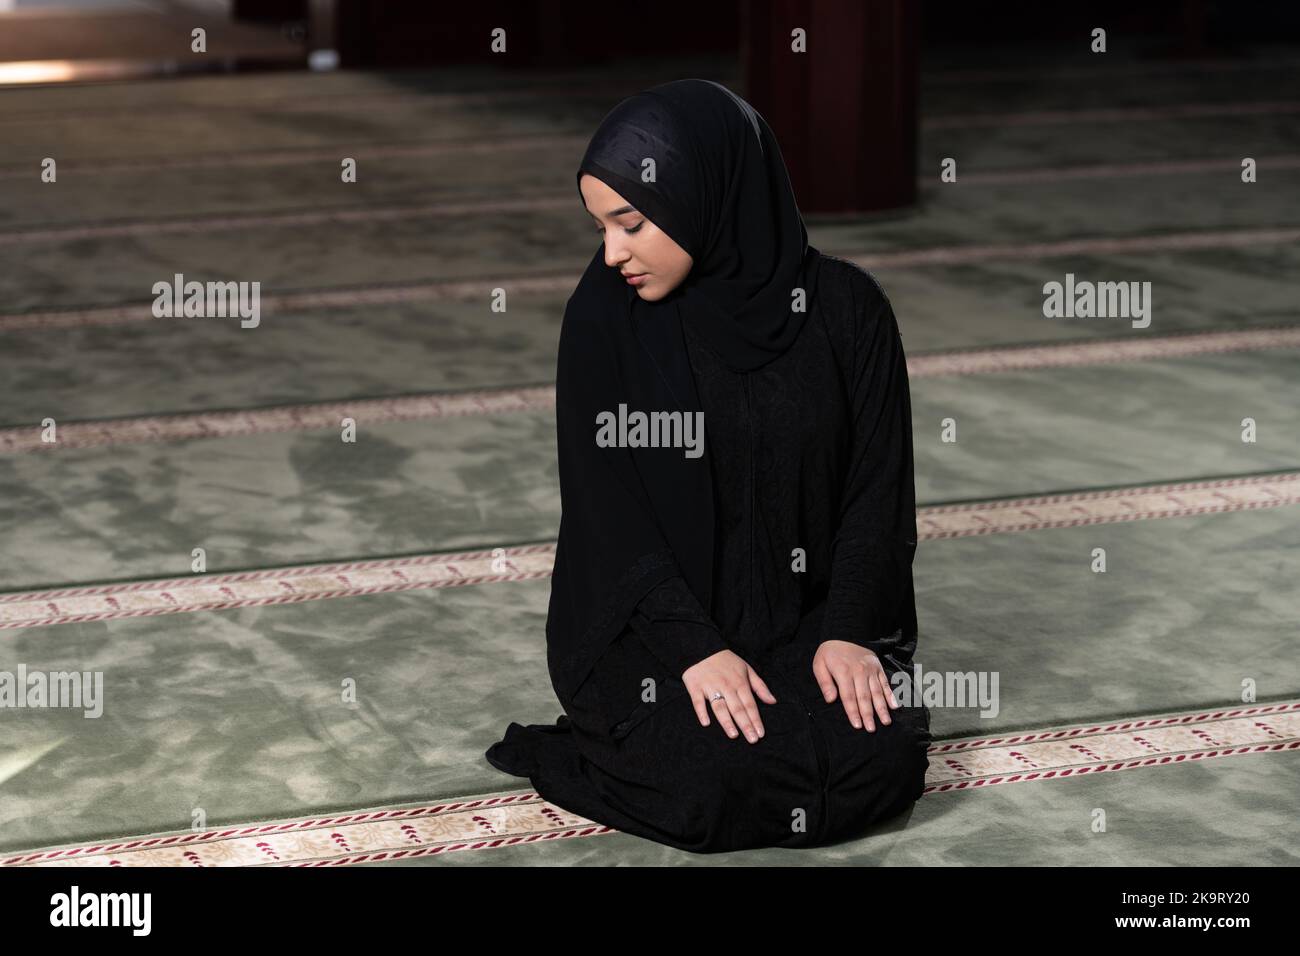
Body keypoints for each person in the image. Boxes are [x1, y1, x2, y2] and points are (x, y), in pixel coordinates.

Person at [485, 79, 931, 854]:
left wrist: (849, 631)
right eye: (599, 228)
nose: (613, 253)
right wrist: (697, 650)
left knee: (872, 763)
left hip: (807, 621)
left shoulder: (848, 311)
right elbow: (609, 516)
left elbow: (875, 494)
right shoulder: (606, 321)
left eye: (630, 223)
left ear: (707, 193)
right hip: (653, 632)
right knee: (712, 783)